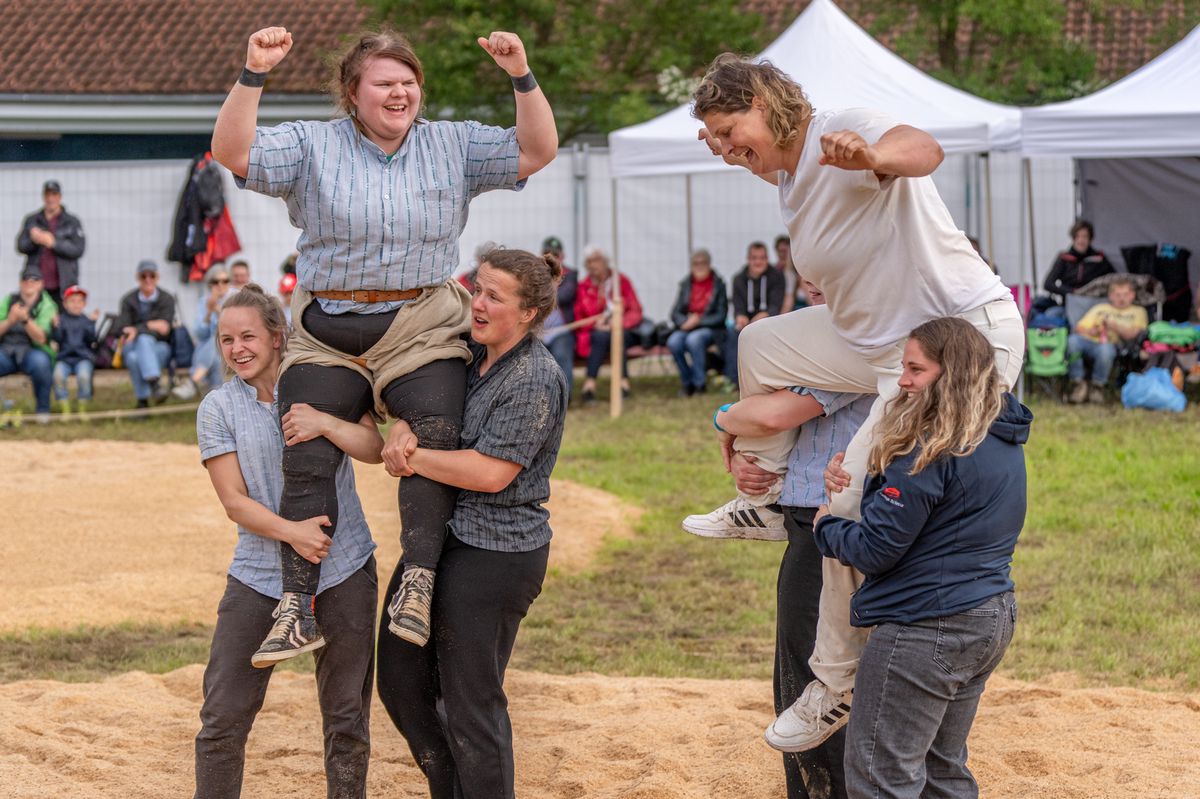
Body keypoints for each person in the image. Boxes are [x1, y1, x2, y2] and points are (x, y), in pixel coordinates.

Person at [687, 53, 1024, 746]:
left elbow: (923, 149)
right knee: (760, 342)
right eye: (714, 140)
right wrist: (744, 430)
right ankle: (769, 493)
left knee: (848, 502)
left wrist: (873, 154)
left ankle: (833, 686)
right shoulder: (786, 177)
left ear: (763, 100)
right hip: (876, 344)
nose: (724, 150)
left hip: (963, 338)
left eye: (728, 130)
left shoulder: (841, 130)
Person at [211, 25, 557, 661]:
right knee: (305, 438)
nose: (400, 93)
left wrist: (520, 74)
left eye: (409, 82)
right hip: (328, 328)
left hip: (419, 321)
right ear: (353, 91)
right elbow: (234, 153)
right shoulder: (312, 144)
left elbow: (536, 150)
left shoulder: (450, 143)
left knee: (430, 428)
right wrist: (254, 71)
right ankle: (296, 604)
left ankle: (418, 582)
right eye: (384, 83)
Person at [792, 317, 1029, 798]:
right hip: (990, 615)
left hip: (927, 627)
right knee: (943, 770)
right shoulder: (1000, 435)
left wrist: (827, 526)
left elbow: (876, 549)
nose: (902, 380)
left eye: (915, 369)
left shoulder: (930, 450)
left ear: (952, 373)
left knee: (881, 776)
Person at [376, 247, 567, 799]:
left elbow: (490, 474)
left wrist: (410, 456)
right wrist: (402, 423)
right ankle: (449, 787)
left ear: (528, 313)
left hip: (498, 553)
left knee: (470, 704)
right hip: (442, 539)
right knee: (400, 681)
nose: (476, 304)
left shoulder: (534, 376)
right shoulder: (463, 352)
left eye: (492, 297)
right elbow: (418, 401)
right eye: (475, 288)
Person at [194, 284, 382, 798]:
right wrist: (293, 533)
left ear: (278, 337)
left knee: (346, 722)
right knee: (222, 719)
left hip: (342, 567)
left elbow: (373, 447)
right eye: (227, 339)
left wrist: (324, 421)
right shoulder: (217, 408)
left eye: (248, 335)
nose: (237, 349)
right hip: (258, 577)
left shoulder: (323, 383)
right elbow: (233, 500)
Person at [704, 279, 870, 799]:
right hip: (808, 512)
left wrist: (726, 419)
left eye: (822, 290)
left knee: (817, 673)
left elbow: (773, 413)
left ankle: (824, 787)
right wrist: (757, 467)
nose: (812, 302)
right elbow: (777, 421)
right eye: (807, 290)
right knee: (811, 666)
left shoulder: (858, 346)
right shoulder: (829, 343)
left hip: (838, 522)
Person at [573, 245, 643, 403]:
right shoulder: (583, 287)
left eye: (597, 260)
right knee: (601, 336)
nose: (593, 265)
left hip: (624, 330)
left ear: (606, 262)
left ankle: (608, 383)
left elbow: (636, 311)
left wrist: (616, 323)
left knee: (616, 335)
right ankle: (598, 385)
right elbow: (578, 317)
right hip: (596, 333)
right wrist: (596, 324)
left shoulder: (621, 282)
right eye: (589, 262)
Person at [1066, 275, 1147, 403]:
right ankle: (1078, 384)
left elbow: (1134, 334)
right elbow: (1078, 328)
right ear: (1110, 296)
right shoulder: (1100, 308)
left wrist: (1114, 326)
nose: (1121, 298)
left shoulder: (1138, 311)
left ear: (1132, 295)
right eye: (1117, 295)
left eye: (1125, 294)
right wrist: (1091, 331)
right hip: (1089, 340)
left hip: (1113, 344)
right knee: (1072, 341)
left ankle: (1098, 386)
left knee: (1105, 350)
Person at [115, 260, 178, 410]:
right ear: (138, 278)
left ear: (157, 277)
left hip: (160, 347)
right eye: (144, 276)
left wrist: (137, 330)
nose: (148, 279)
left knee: (134, 357)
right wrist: (152, 326)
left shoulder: (167, 298)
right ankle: (155, 384)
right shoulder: (128, 299)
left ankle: (142, 402)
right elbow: (122, 328)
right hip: (132, 346)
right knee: (136, 349)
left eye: (152, 275)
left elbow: (165, 329)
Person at [724, 241, 785, 392]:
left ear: (767, 258)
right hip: (746, 323)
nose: (758, 262)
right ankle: (735, 381)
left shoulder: (776, 276)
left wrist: (765, 315)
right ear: (748, 259)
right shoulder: (739, 279)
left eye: (762, 258)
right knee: (732, 335)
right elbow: (737, 304)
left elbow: (775, 305)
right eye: (754, 258)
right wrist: (740, 316)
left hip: (769, 321)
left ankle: (769, 381)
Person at [15, 180, 86, 310]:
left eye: (54, 195)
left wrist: (54, 243)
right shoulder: (33, 220)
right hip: (37, 285)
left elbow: (78, 249)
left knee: (62, 323)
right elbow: (20, 246)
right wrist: (34, 240)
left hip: (63, 285)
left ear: (60, 197)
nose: (50, 198)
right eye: (48, 195)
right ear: (43, 197)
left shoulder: (72, 222)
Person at [667, 248, 728, 396]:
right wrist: (685, 321)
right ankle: (687, 383)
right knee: (673, 342)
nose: (699, 266)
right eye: (695, 263)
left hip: (710, 328)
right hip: (687, 326)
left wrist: (698, 321)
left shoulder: (719, 285)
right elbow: (674, 313)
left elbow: (721, 315)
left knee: (694, 340)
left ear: (709, 264)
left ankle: (699, 384)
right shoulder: (686, 284)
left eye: (703, 263)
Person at [0, 268, 56, 423]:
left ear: (41, 284)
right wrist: (10, 321)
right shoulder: (8, 300)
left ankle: (43, 412)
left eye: (34, 280)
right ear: (20, 283)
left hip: (33, 350)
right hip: (7, 350)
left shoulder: (47, 305)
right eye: (26, 280)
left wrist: (25, 320)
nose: (29, 283)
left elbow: (41, 338)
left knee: (41, 364)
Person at [174, 268, 233, 400]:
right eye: (216, 282)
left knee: (216, 339)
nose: (220, 285)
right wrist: (208, 312)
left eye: (225, 281)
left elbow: (235, 325)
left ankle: (194, 380)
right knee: (216, 353)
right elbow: (200, 334)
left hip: (233, 343)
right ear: (210, 284)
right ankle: (215, 397)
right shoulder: (204, 302)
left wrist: (217, 309)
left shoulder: (236, 298)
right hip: (212, 349)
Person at [51, 284, 99, 416]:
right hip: (64, 358)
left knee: (84, 376)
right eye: (72, 301)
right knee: (58, 376)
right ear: (65, 304)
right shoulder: (62, 320)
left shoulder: (86, 320)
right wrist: (56, 327)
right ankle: (64, 407)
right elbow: (58, 339)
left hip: (83, 358)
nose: (76, 304)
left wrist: (92, 323)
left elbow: (92, 340)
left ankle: (82, 407)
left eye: (79, 301)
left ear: (84, 304)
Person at [539, 235, 579, 392]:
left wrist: (546, 292)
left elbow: (565, 296)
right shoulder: (536, 274)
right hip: (538, 330)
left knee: (562, 355)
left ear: (562, 256)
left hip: (561, 330)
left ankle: (565, 396)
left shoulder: (570, 274)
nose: (553, 258)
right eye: (549, 254)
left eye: (555, 255)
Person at [1043, 220, 1114, 307]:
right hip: (1069, 304)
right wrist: (1072, 291)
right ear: (1073, 239)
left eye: (1085, 237)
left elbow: (1114, 280)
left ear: (1090, 239)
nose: (1081, 240)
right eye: (1077, 236)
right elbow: (1048, 284)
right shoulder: (1064, 258)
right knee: (1051, 315)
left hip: (1093, 304)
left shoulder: (1099, 258)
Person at [774, 234, 800, 312]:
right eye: (781, 251)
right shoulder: (773, 271)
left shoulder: (796, 273)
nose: (783, 255)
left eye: (785, 251)